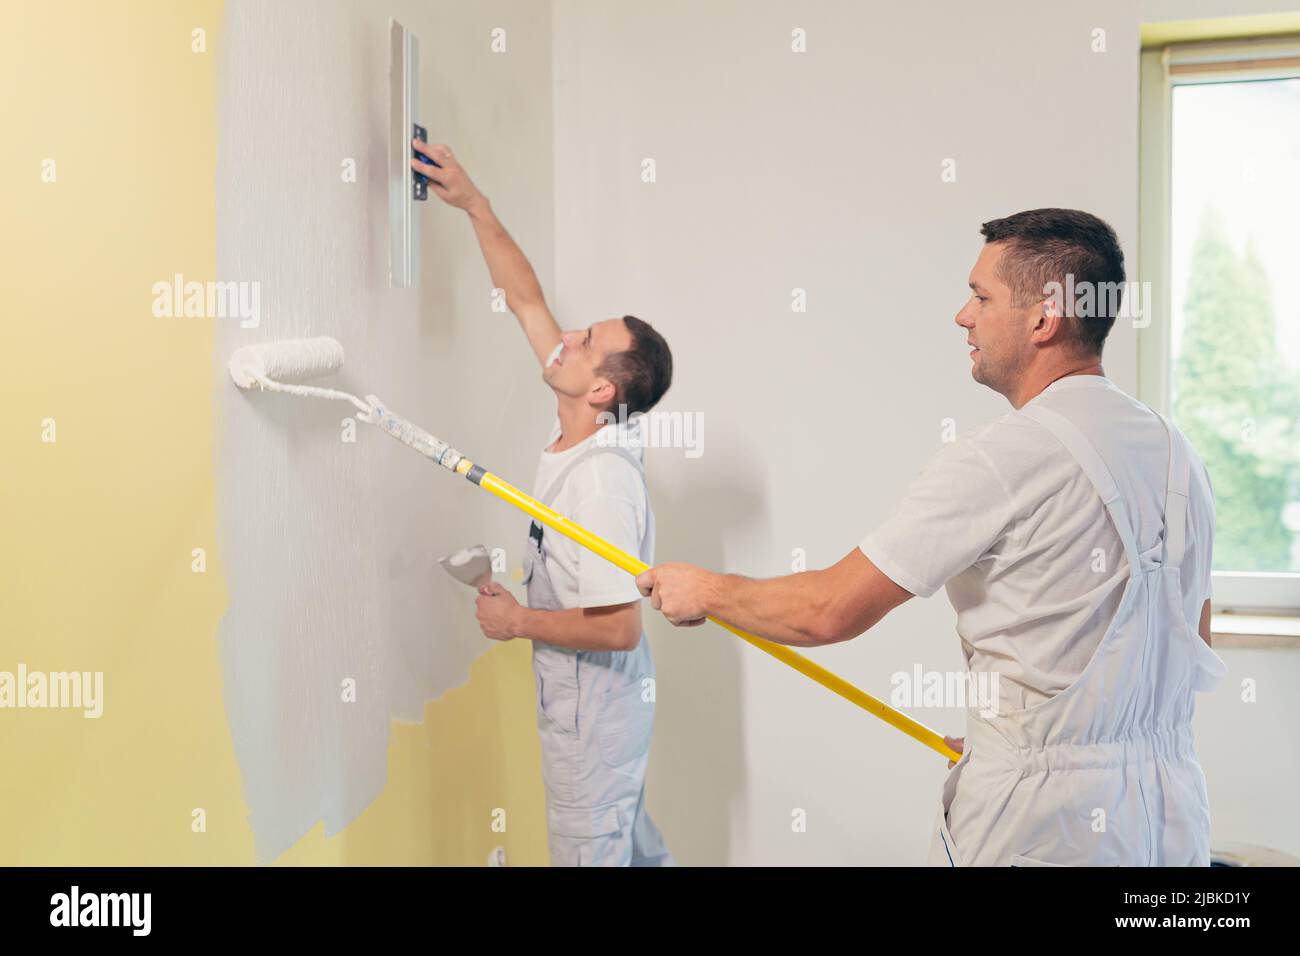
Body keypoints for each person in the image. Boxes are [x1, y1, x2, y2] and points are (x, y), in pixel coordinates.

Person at [635, 208, 1227, 866]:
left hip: (1042, 829)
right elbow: (1186, 639)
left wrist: (706, 589)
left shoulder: (1002, 458)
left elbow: (829, 610)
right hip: (1168, 817)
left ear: (1044, 317)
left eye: (981, 296)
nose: (963, 316)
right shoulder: (1180, 458)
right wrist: (1029, 736)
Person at [413, 141, 675, 867]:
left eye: (585, 341)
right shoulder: (581, 428)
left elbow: (621, 627)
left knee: (596, 847)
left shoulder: (602, 481)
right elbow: (525, 297)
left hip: (596, 725)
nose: (564, 336)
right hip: (601, 717)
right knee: (634, 850)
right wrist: (474, 203)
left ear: (602, 391)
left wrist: (517, 620)